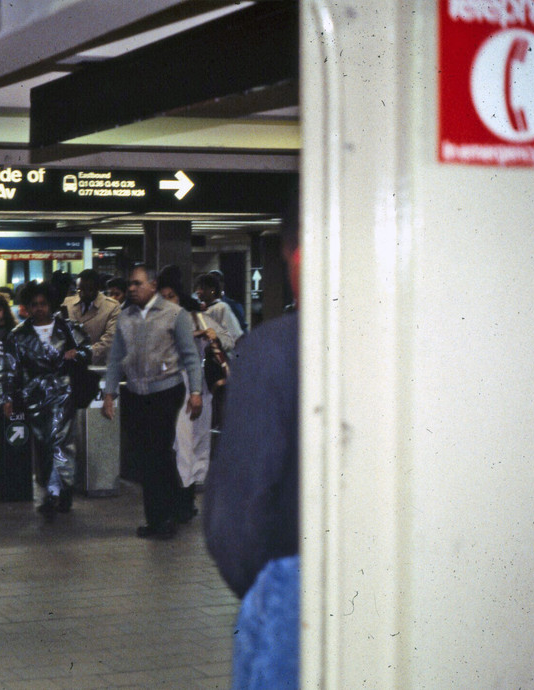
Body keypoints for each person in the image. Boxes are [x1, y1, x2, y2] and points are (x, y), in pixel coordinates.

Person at [203, 198, 300, 688]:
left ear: (295, 255)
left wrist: (264, 586)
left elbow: (235, 515)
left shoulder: (276, 348)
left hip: (297, 585)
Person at [101, 264, 203, 539]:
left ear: (153, 286)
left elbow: (191, 357)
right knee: (145, 459)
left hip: (166, 391)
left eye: (137, 284)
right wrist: (109, 393)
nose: (131, 289)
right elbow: (115, 359)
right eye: (130, 284)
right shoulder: (125, 317)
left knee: (159, 453)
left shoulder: (175, 314)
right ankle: (157, 517)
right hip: (135, 393)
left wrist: (196, 393)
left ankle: (167, 517)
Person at [0, 281, 90, 521]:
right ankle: (51, 492)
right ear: (27, 307)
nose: (39, 309)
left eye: (43, 304)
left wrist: (77, 353)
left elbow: (87, 348)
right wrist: (7, 397)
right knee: (42, 446)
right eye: (34, 305)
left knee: (62, 441)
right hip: (34, 395)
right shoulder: (18, 335)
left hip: (63, 391)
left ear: (50, 305)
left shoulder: (68, 328)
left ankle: (62, 492)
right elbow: (9, 368)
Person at [156, 266, 214, 524]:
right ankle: (180, 499)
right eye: (163, 297)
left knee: (195, 441)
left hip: (197, 387)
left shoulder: (197, 318)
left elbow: (229, 341)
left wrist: (213, 338)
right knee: (180, 444)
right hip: (172, 387)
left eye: (172, 296)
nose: (168, 301)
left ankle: (188, 498)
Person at [64, 268, 120, 366]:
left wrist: (84, 353)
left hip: (98, 364)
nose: (83, 293)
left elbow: (110, 339)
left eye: (89, 289)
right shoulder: (67, 303)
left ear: (97, 288)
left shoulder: (112, 307)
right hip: (70, 364)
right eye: (80, 289)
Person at [195, 273, 243, 352]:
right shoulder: (201, 309)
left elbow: (235, 336)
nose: (199, 291)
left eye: (203, 288)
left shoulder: (221, 308)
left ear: (212, 290)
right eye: (198, 288)